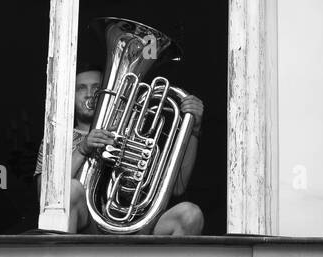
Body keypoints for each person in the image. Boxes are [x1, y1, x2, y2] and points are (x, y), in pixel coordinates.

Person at [36, 64, 205, 235]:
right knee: (71, 189)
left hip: (136, 228)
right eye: (81, 88)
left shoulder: (136, 132)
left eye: (97, 87)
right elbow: (46, 198)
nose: (90, 94)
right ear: (71, 96)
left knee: (190, 214)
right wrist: (82, 149)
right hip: (88, 228)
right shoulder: (55, 140)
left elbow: (177, 187)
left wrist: (194, 129)